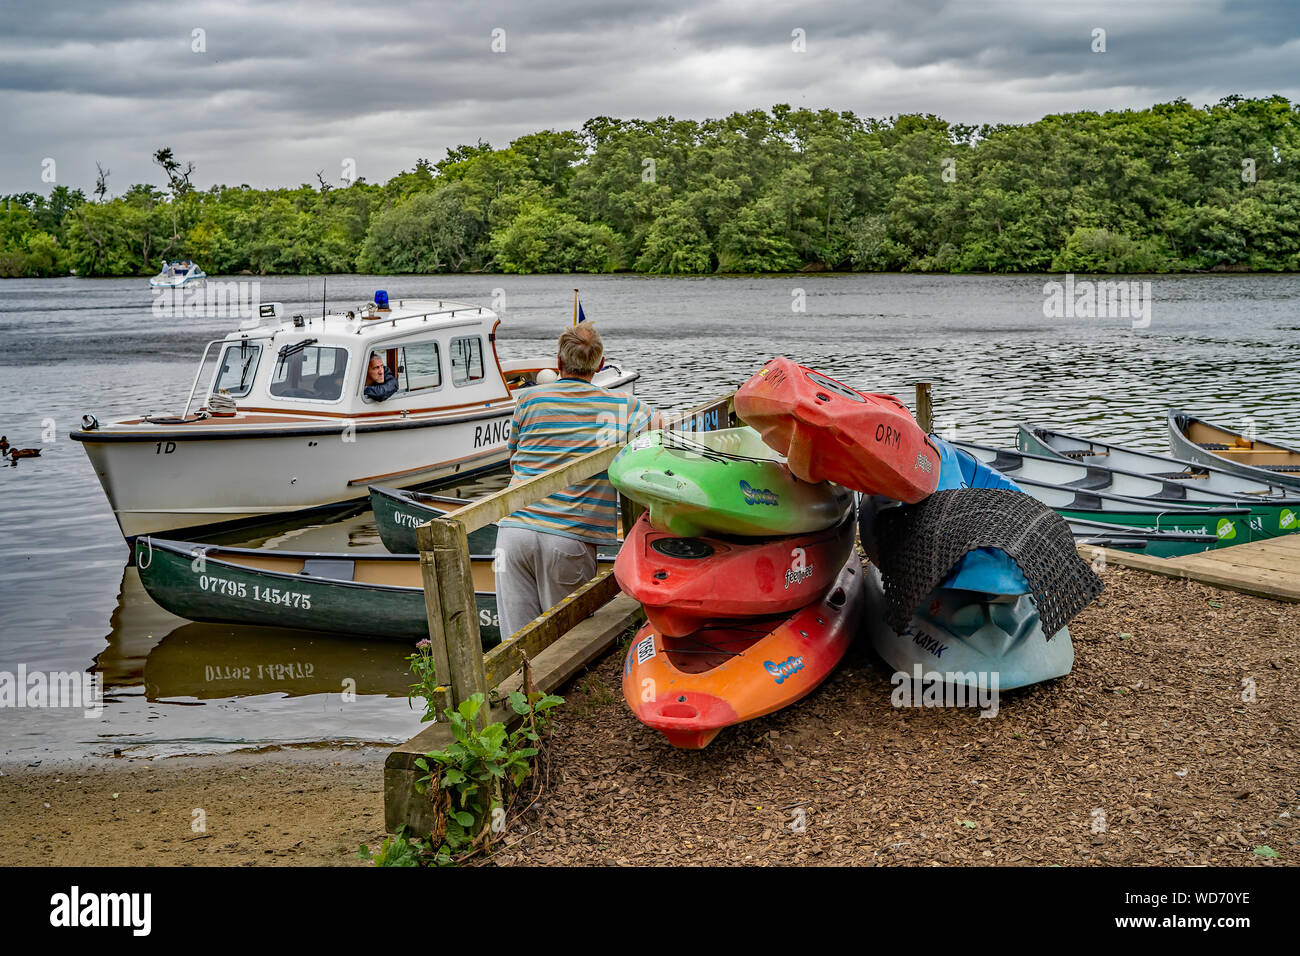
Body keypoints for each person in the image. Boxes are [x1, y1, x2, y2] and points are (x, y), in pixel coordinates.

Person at [496, 323, 654, 639]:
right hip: (569, 535)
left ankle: (520, 691)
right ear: (600, 364)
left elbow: (513, 457)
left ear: (558, 363)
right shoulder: (623, 407)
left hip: (513, 532)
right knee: (567, 639)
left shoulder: (528, 400)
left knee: (516, 644)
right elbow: (659, 434)